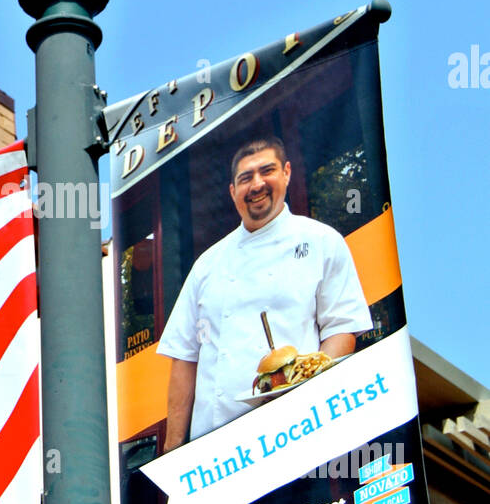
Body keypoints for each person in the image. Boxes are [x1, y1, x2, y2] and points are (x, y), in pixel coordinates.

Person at [158, 136, 373, 451]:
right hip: (214, 455)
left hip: (295, 436)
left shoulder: (322, 242)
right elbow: (184, 358)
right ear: (233, 193)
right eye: (245, 178)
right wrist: (173, 448)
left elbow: (341, 330)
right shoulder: (208, 264)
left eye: (266, 171)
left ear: (286, 173)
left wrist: (311, 392)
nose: (256, 184)